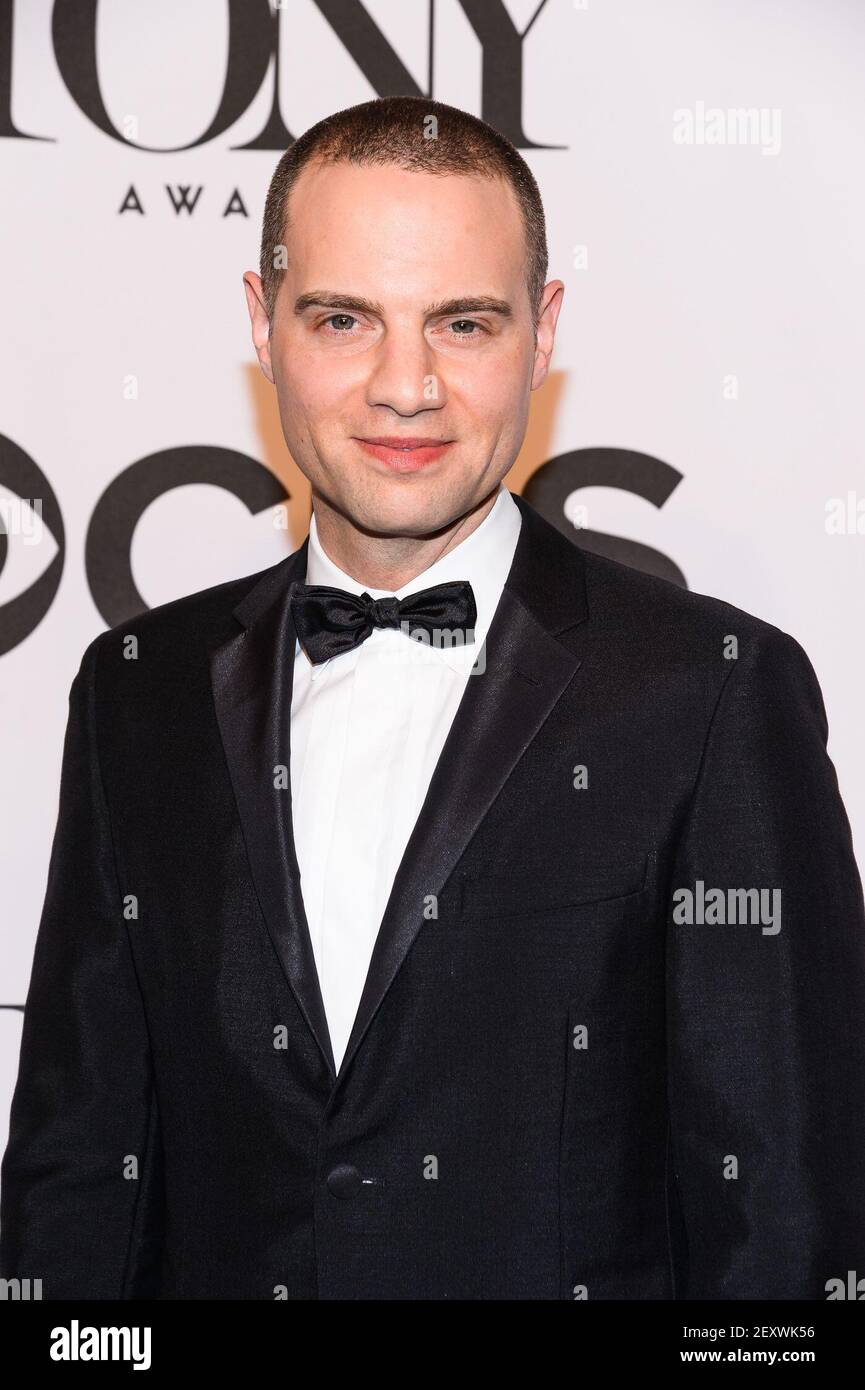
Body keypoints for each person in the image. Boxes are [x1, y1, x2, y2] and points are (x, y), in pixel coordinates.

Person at [2, 95, 864, 1301]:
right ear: (263, 324)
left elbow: (782, 1210)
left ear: (542, 330)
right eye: (343, 318)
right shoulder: (136, 694)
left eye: (462, 322)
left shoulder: (711, 695)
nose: (404, 388)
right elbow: (77, 1170)